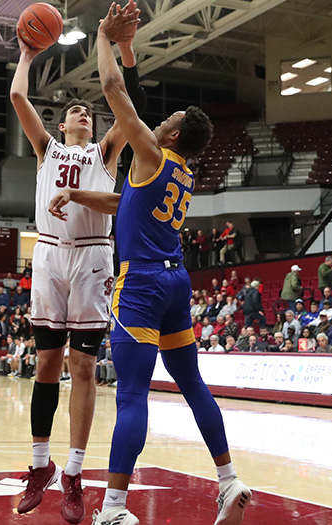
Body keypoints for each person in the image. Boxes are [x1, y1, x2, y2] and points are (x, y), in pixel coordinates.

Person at [48, 5, 250, 524]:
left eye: (168, 120)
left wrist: (103, 38)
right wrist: (77, 193)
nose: (159, 122)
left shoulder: (150, 152)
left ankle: (114, 508)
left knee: (133, 394)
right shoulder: (179, 171)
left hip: (139, 285)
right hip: (176, 282)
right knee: (193, 384)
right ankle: (228, 479)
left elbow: (114, 90)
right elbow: (124, 204)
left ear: (174, 136)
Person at [9, 11, 140, 523]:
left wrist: (125, 51)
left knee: (82, 367)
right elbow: (18, 97)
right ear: (61, 126)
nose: (84, 113)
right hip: (48, 254)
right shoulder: (47, 149)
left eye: (89, 111)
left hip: (92, 256)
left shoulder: (106, 151)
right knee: (46, 364)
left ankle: (74, 473)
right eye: (75, 112)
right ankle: (39, 465)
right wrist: (26, 55)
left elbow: (127, 106)